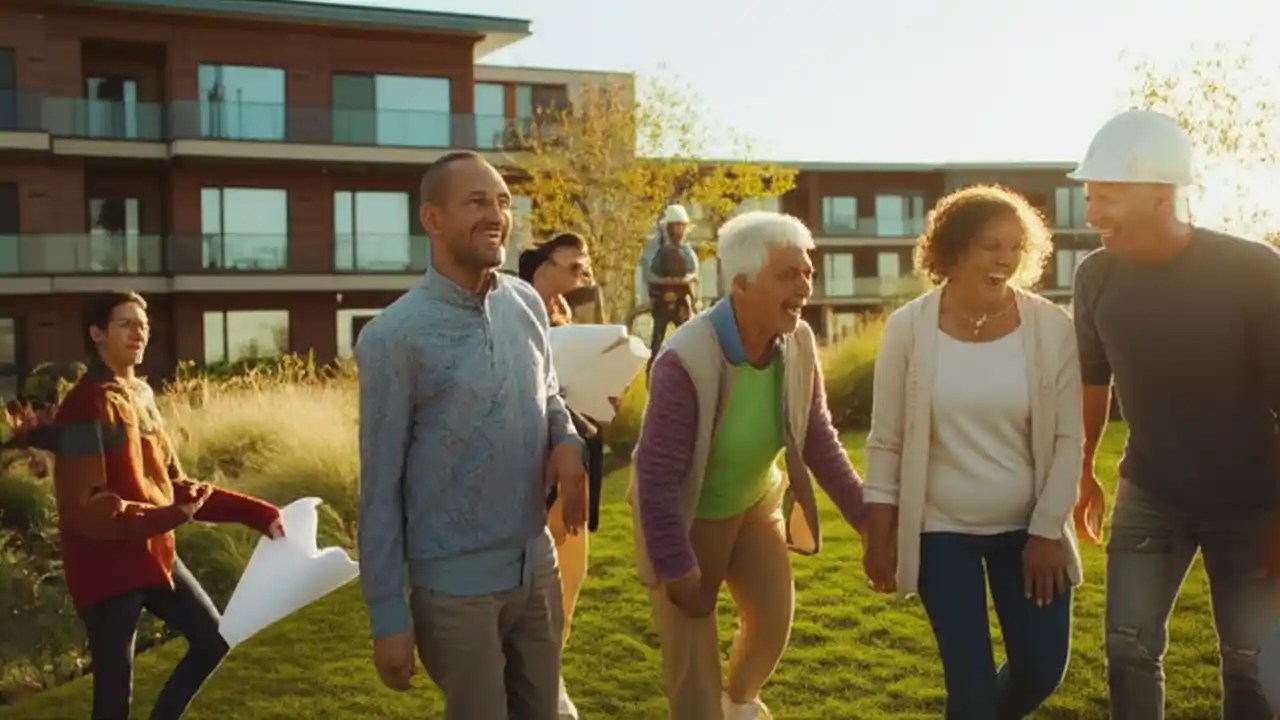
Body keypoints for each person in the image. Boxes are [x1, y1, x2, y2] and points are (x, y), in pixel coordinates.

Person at [355, 150, 588, 720]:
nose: (496, 215)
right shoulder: (393, 337)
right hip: (454, 592)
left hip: (537, 569)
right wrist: (388, 616)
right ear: (432, 219)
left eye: (503, 202)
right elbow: (380, 490)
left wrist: (567, 442)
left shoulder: (528, 302)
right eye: (477, 202)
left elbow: (550, 394)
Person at [1068, 109, 1280, 719]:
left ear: (1160, 195)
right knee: (1128, 649)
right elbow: (1091, 377)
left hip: (1252, 501)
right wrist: (1085, 469)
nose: (1091, 214)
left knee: (1249, 658)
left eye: (1106, 197)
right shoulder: (1095, 277)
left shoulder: (1253, 270)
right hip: (1151, 490)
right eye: (1090, 196)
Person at [631, 210, 870, 720]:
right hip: (688, 515)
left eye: (808, 271)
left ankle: (738, 704)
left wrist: (867, 518)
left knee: (772, 621)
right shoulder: (685, 358)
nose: (805, 285)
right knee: (693, 668)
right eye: (788, 275)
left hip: (754, 503)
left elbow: (816, 436)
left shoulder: (798, 340)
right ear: (741, 285)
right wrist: (675, 564)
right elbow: (656, 477)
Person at [861, 185, 1082, 719]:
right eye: (989, 245)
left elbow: (1068, 438)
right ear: (954, 251)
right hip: (942, 533)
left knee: (1041, 670)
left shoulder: (1051, 327)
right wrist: (879, 535)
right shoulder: (908, 329)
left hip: (1029, 531)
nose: (1005, 258)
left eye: (1014, 246)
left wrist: (1048, 530)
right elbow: (886, 439)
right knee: (973, 692)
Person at [51, 291, 284, 720]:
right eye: (125, 323)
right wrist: (169, 517)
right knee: (113, 693)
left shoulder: (140, 394)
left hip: (154, 554)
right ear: (97, 333)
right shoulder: (85, 405)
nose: (138, 332)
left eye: (142, 324)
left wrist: (259, 514)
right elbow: (88, 508)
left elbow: (175, 486)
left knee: (214, 639)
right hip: (105, 566)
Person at [518, 231, 606, 720]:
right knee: (539, 586)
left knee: (572, 576)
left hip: (579, 456)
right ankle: (540, 686)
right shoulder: (514, 311)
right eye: (574, 268)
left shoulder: (570, 317)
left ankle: (550, 675)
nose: (581, 278)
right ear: (543, 266)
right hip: (535, 467)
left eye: (584, 270)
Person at [640, 204, 700, 370]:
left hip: (681, 298)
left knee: (688, 337)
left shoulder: (686, 248)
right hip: (661, 298)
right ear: (668, 227)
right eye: (676, 226)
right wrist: (666, 282)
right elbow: (648, 274)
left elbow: (694, 272)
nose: (680, 230)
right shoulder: (655, 246)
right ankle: (650, 373)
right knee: (657, 340)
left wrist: (685, 283)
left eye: (682, 226)